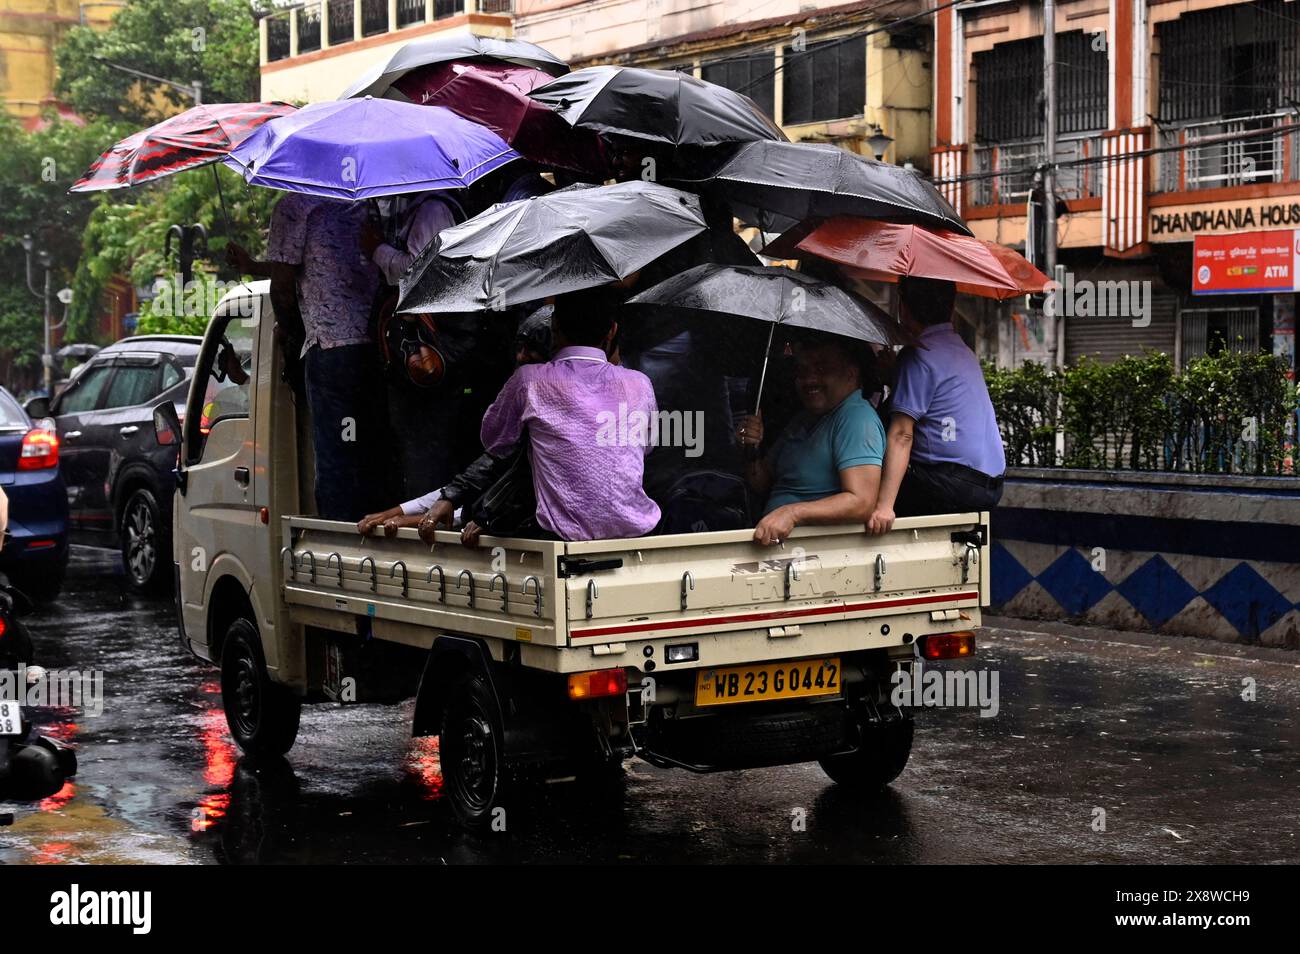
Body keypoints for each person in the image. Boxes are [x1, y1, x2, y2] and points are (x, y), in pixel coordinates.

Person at [228, 193, 384, 522]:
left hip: (329, 349)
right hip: (378, 348)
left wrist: (288, 333)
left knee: (335, 459)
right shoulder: (364, 199)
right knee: (368, 452)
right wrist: (253, 266)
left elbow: (283, 285)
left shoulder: (294, 205)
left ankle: (341, 544)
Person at [478, 288, 660, 542]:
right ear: (612, 331)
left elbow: (495, 441)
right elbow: (646, 446)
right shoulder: (639, 383)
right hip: (635, 530)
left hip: (562, 537)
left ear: (554, 327)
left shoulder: (529, 380)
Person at [357, 306, 553, 538]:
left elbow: (503, 488)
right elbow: (484, 476)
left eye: (531, 352)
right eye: (519, 349)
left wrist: (414, 517)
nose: (521, 357)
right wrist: (402, 511)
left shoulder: (537, 394)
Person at [867, 277, 1006, 534]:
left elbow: (902, 434)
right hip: (991, 487)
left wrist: (884, 507)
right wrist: (893, 376)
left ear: (903, 308)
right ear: (951, 307)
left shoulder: (917, 354)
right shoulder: (962, 349)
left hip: (953, 486)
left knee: (862, 482)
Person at [736, 336, 885, 546]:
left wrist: (793, 513)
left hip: (813, 554)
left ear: (851, 374)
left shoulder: (857, 419)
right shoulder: (804, 418)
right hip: (774, 545)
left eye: (822, 370)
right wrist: (751, 449)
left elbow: (861, 502)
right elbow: (761, 482)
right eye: (803, 372)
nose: (809, 380)